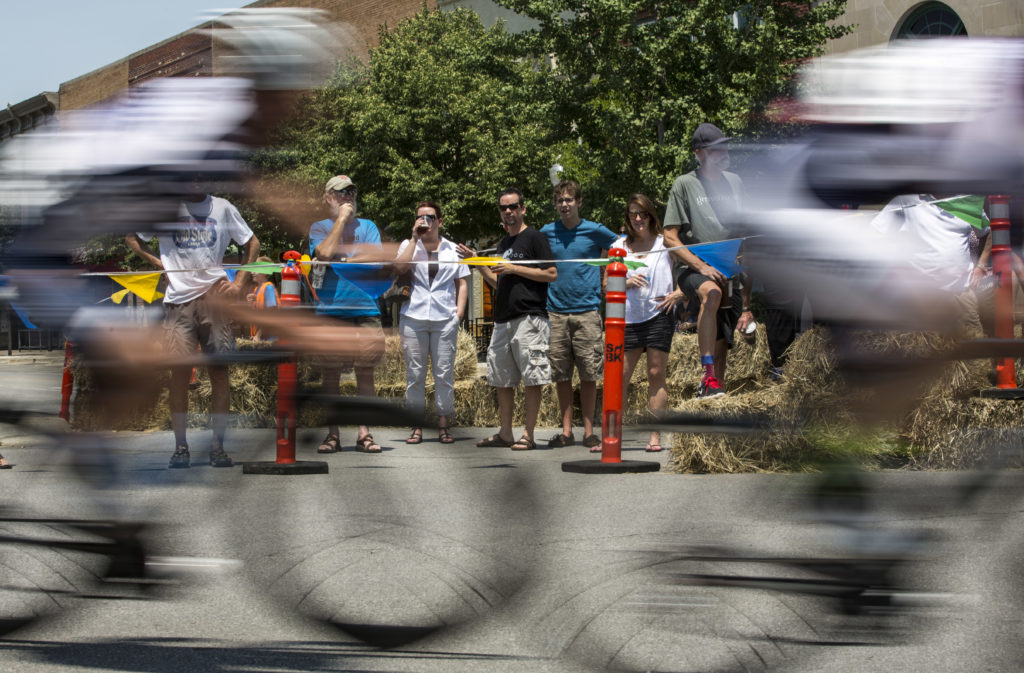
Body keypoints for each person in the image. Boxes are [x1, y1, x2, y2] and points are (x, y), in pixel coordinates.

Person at [126, 187, 260, 468]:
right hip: (178, 303)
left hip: (215, 298)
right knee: (179, 374)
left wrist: (238, 284)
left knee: (219, 373)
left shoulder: (223, 207)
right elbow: (133, 238)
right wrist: (160, 263)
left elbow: (252, 243)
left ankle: (218, 447)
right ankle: (181, 448)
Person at [662, 122, 752, 398]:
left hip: (730, 270)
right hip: (695, 267)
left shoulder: (735, 182)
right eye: (717, 148)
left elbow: (745, 237)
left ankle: (713, 390)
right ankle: (707, 375)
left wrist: (748, 305)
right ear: (699, 153)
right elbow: (669, 237)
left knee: (723, 339)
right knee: (711, 294)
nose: (724, 151)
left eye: (725, 145)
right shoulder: (685, 184)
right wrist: (700, 266)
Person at [308, 175, 386, 454]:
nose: (348, 197)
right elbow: (325, 253)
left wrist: (346, 261)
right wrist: (341, 221)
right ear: (328, 197)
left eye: (351, 191)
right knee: (330, 374)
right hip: (331, 309)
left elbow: (375, 260)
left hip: (365, 307)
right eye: (341, 193)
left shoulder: (368, 226)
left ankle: (364, 433)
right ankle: (333, 434)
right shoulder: (319, 228)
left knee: (365, 372)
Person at [475, 188, 557, 451]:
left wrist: (514, 267)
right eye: (503, 207)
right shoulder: (503, 243)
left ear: (523, 209)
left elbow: (552, 273)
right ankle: (505, 433)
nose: (508, 211)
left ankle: (529, 435)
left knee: (533, 377)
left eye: (513, 206)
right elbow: (499, 284)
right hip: (503, 320)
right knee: (501, 379)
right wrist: (478, 264)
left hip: (530, 318)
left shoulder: (535, 237)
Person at [540, 180, 618, 449]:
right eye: (560, 201)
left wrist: (607, 274)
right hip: (555, 313)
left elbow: (619, 246)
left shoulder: (595, 230)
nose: (564, 205)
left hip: (587, 312)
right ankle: (566, 432)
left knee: (588, 374)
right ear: (555, 204)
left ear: (579, 202)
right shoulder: (547, 232)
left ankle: (588, 432)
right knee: (561, 375)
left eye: (569, 200)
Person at [393, 201, 469, 444]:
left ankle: (444, 425)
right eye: (420, 217)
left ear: (440, 221)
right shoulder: (408, 244)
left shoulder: (452, 249)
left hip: (445, 318)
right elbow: (399, 267)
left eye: (430, 217)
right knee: (415, 374)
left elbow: (463, 282)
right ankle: (416, 426)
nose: (425, 221)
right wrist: (414, 238)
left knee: (444, 373)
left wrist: (458, 315)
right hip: (413, 316)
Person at [615, 194, 682, 452]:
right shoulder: (618, 246)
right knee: (620, 377)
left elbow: (690, 270)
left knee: (655, 374)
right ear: (628, 218)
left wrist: (679, 293)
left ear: (651, 215)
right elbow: (606, 284)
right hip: (628, 319)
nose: (638, 218)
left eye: (642, 213)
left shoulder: (665, 243)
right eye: (633, 214)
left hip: (659, 316)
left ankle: (655, 436)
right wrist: (626, 282)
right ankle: (614, 436)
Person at [247, 255, 279, 340]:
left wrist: (258, 335)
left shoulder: (268, 288)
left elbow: (271, 314)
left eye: (255, 270)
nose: (252, 272)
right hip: (262, 338)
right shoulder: (257, 290)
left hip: (270, 340)